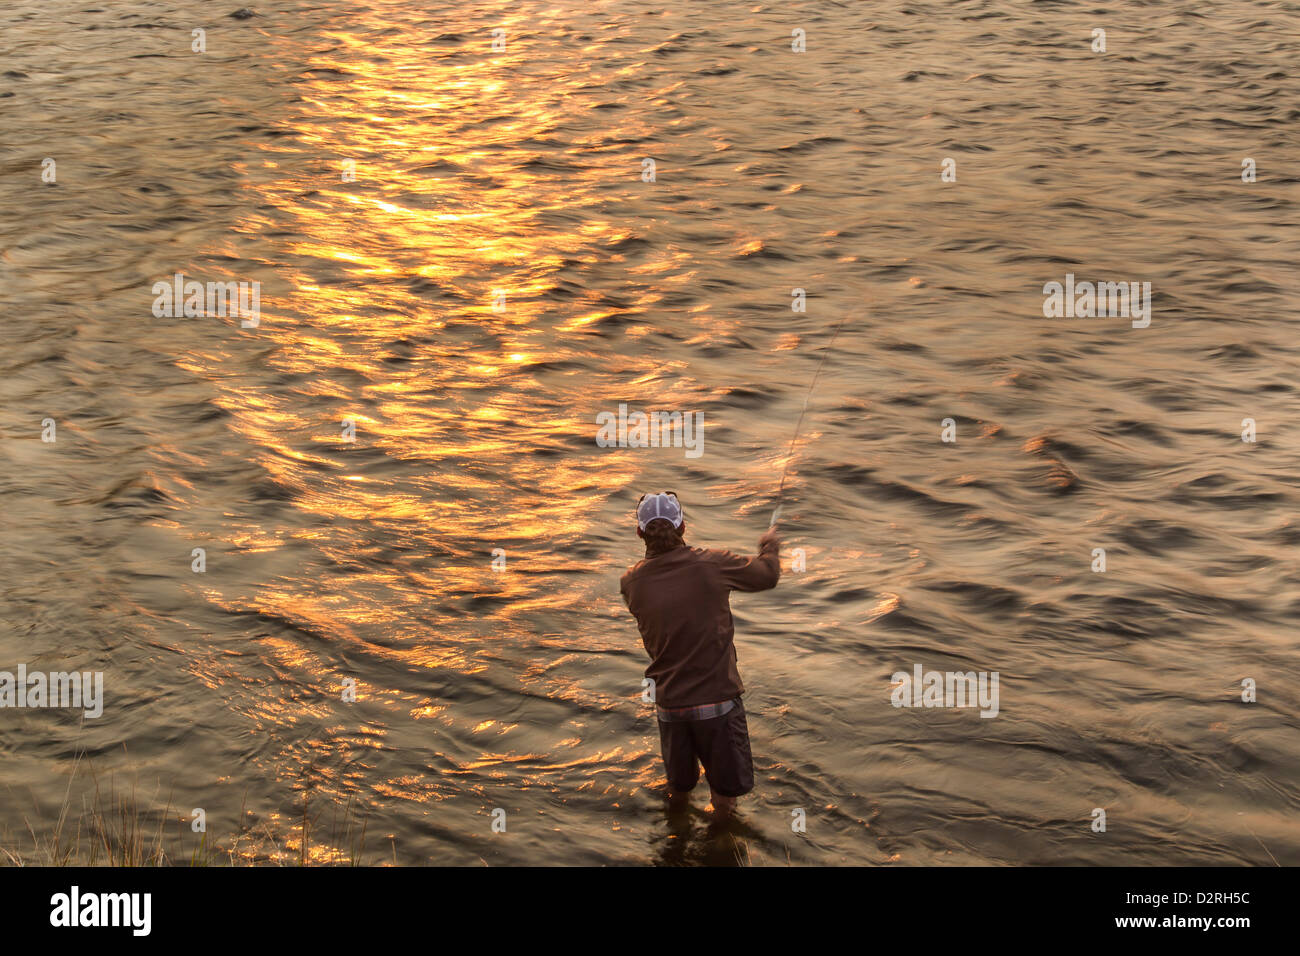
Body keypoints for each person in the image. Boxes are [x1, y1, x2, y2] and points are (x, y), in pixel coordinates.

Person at [619, 492, 781, 821]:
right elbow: (767, 575)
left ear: (639, 533)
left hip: (669, 708)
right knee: (724, 801)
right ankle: (719, 848)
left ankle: (674, 846)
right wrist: (769, 547)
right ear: (683, 527)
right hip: (717, 704)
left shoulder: (630, 583)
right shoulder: (712, 564)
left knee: (678, 792)